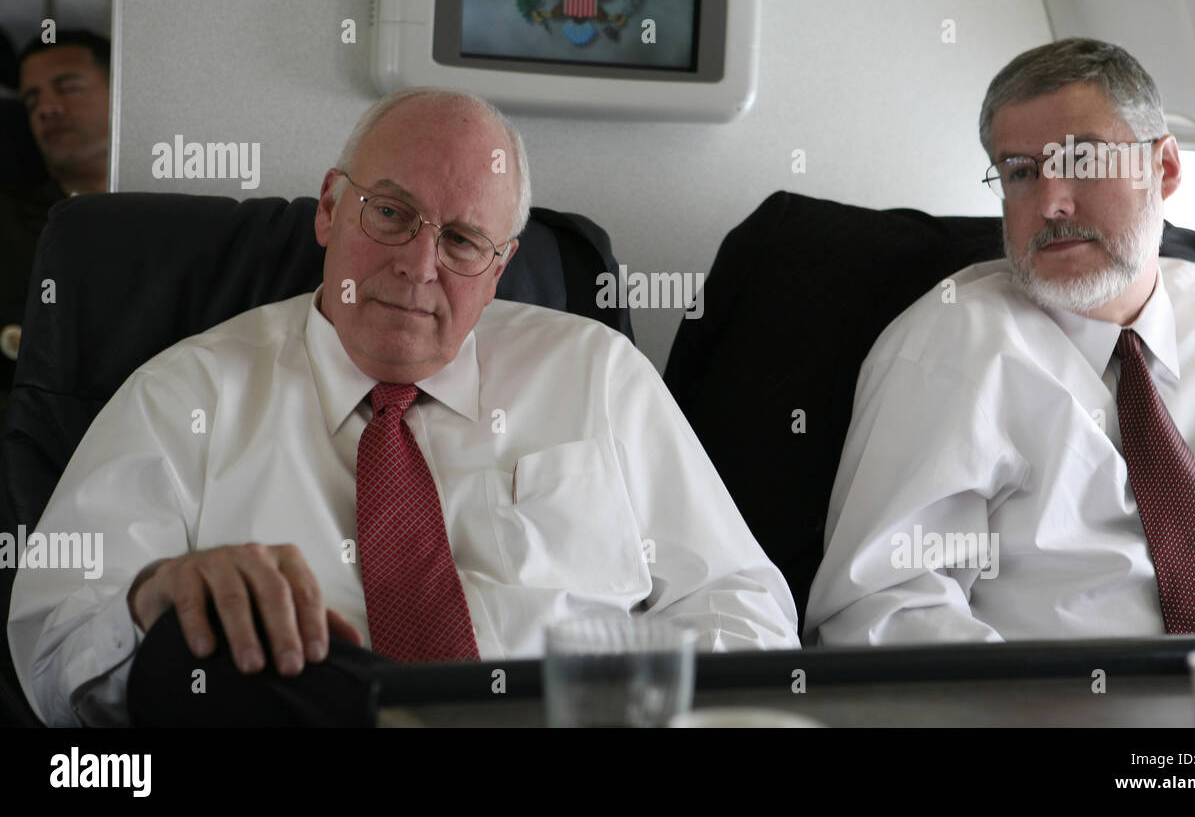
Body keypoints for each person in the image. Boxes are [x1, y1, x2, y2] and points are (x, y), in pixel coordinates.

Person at [8, 88, 800, 725]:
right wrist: (155, 599)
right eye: (390, 214)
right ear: (329, 209)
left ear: (500, 269)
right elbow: (53, 653)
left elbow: (743, 604)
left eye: (461, 241)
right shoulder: (185, 395)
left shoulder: (594, 372)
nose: (419, 266)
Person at [806, 38, 1195, 646]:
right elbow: (880, 608)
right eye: (1021, 172)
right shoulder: (950, 346)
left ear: (1164, 169)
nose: (1051, 203)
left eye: (1083, 163)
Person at [1, 30, 111, 425]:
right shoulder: (9, 227)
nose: (46, 108)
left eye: (67, 88)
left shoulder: (192, 221)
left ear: (123, 90)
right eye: (32, 100)